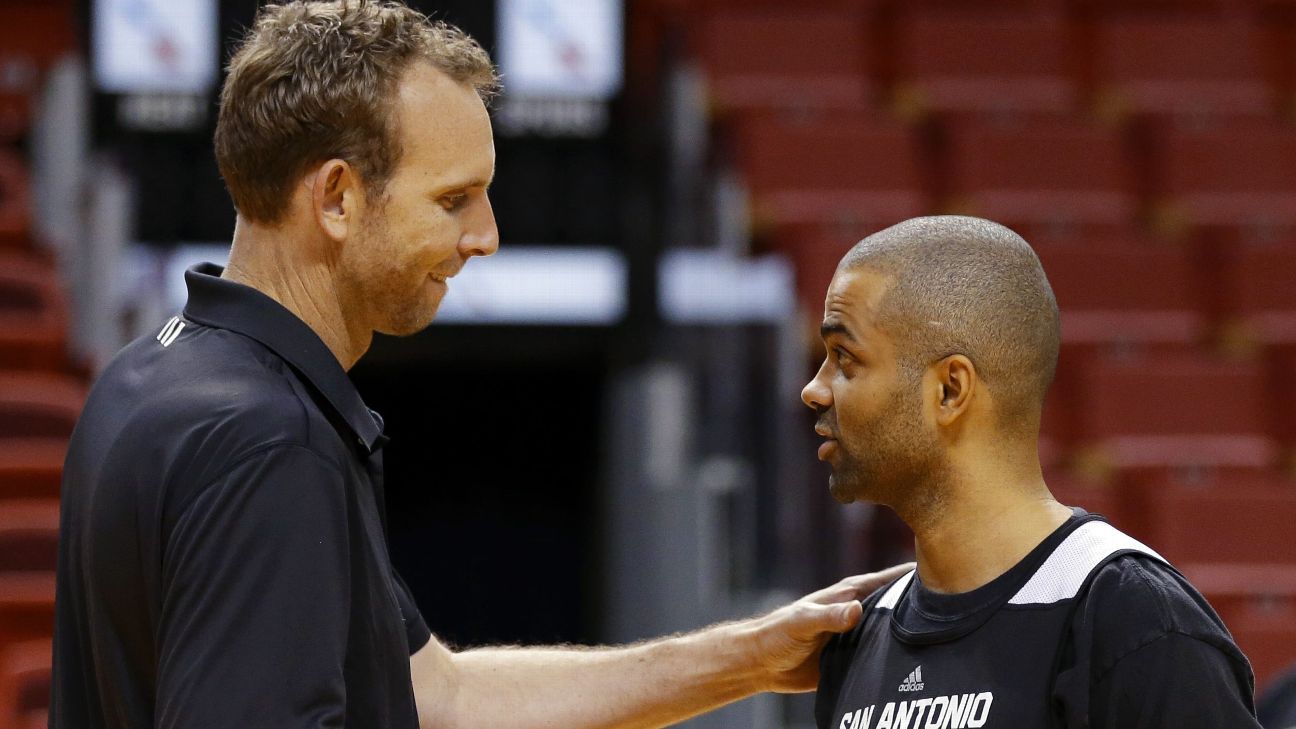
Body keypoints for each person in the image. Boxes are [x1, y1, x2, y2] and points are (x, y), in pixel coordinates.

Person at [49, 2, 910, 728]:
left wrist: (749, 655)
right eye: (454, 199)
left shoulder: (147, 378)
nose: (485, 236)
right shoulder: (268, 442)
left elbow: (437, 693)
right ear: (338, 197)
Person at [802, 216, 1262, 728]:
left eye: (845, 359)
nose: (814, 390)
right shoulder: (861, 631)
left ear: (950, 390)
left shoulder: (1134, 622)